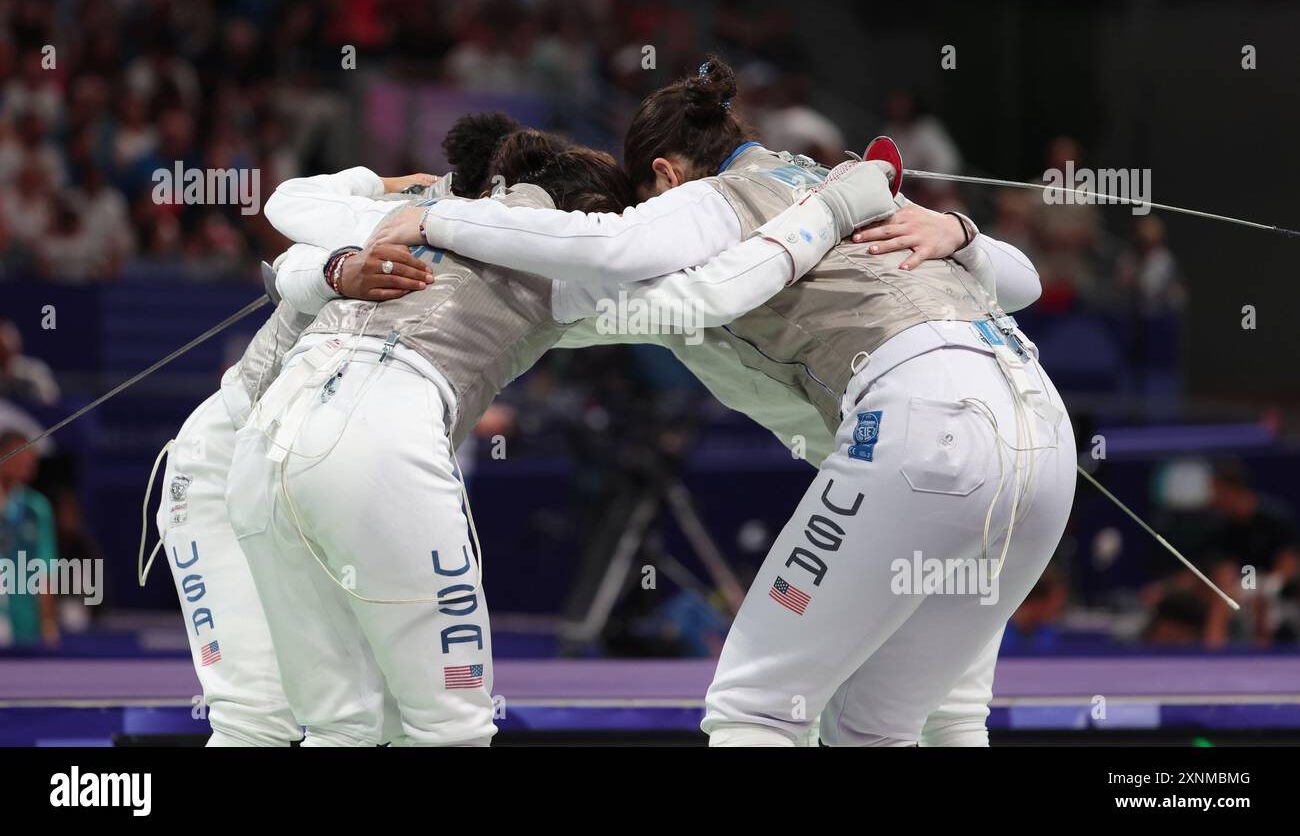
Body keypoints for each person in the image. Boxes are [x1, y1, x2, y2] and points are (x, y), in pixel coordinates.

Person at [377, 57, 1072, 747]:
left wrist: (436, 221)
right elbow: (1024, 283)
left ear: (665, 175)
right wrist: (965, 236)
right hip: (1043, 434)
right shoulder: (844, 185)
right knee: (909, 720)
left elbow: (608, 248)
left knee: (756, 709)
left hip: (926, 433)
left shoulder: (711, 200)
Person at [231, 128, 900, 747]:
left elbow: (292, 209)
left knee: (340, 725)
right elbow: (707, 298)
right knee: (451, 726)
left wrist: (335, 260)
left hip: (261, 451)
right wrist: (834, 208)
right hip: (374, 448)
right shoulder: (563, 268)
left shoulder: (407, 215)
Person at [145, 161, 438, 746]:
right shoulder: (387, 222)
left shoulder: (521, 268)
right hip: (225, 463)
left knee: (385, 718)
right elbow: (288, 261)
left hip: (329, 485)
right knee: (255, 716)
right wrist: (358, 234)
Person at [0, 428, 59, 647]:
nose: (30, 462)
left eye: (32, 458)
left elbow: (45, 570)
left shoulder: (37, 509)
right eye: (21, 455)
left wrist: (48, 624)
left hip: (23, 625)